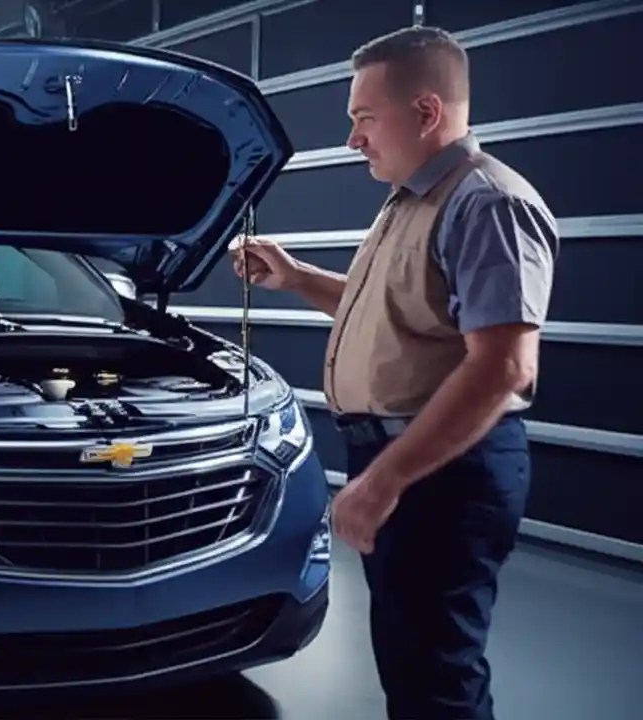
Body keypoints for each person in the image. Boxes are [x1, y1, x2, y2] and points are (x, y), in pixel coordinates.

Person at [233, 26, 559, 720]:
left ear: (427, 112)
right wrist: (296, 278)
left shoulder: (489, 203)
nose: (354, 139)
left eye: (362, 118)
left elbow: (502, 367)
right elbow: (385, 307)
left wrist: (383, 481)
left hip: (444, 472)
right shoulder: (411, 199)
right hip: (409, 462)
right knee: (411, 664)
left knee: (437, 677)